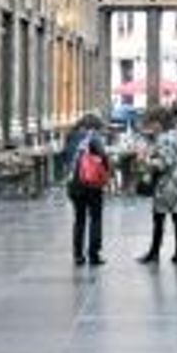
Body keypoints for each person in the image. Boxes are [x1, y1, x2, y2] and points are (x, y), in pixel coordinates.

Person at [137, 107, 177, 265]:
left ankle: (154, 253)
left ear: (160, 123)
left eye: (153, 123)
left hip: (167, 184)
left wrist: (145, 160)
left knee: (158, 219)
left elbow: (163, 163)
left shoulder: (164, 139)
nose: (151, 127)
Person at [65, 113, 110, 266]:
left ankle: (78, 255)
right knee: (95, 218)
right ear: (94, 126)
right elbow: (103, 156)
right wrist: (106, 173)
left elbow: (66, 157)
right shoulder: (93, 137)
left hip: (74, 184)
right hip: (91, 183)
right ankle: (94, 254)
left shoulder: (71, 136)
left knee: (79, 219)